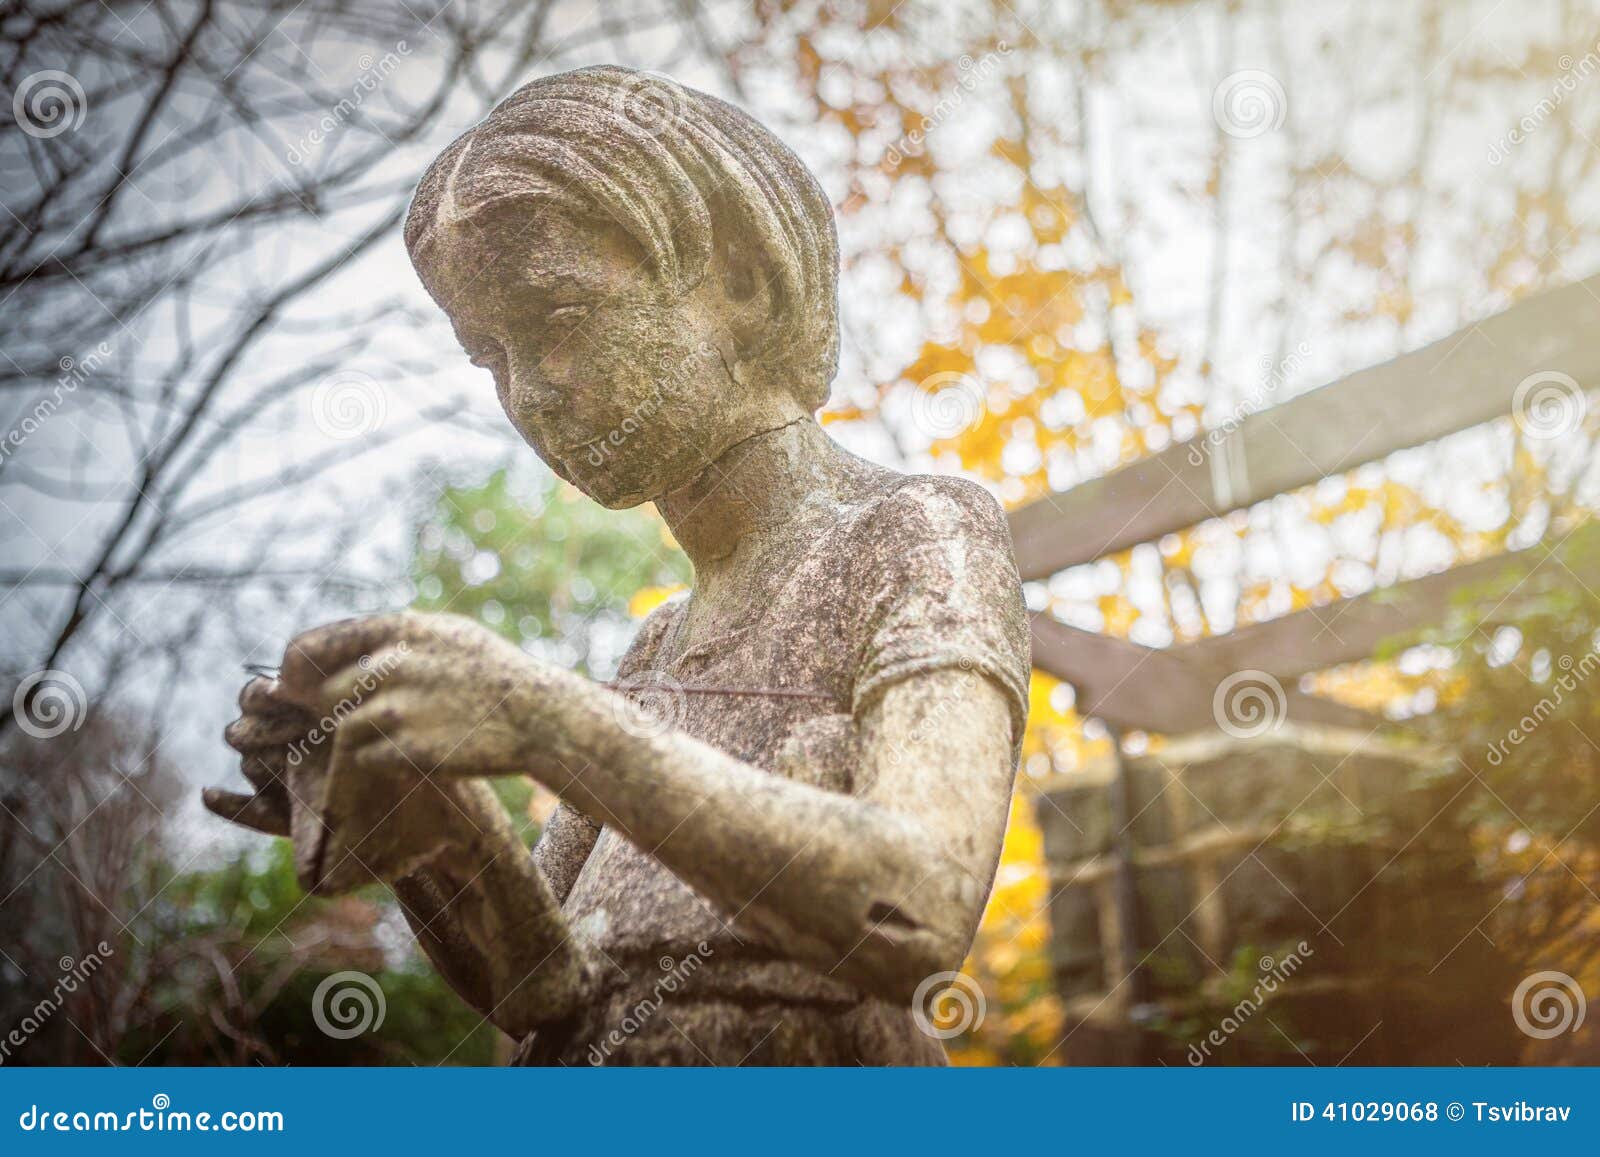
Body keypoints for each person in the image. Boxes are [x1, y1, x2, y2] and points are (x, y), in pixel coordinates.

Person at [207, 65, 1030, 1065]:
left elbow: (916, 903)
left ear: (740, 281)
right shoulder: (653, 648)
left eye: (556, 316)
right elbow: (538, 985)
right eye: (487, 354)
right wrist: (419, 809)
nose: (529, 392)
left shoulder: (914, 532)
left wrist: (549, 721)